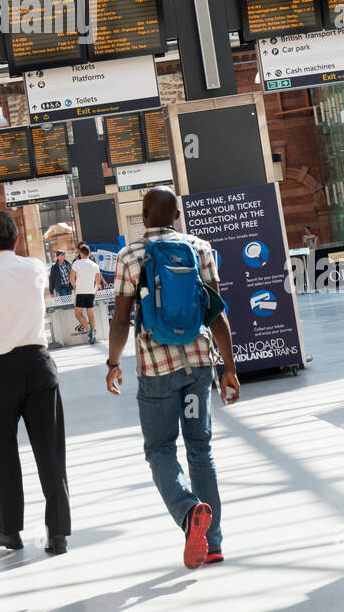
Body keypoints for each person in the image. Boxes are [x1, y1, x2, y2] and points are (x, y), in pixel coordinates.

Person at [106, 186, 239, 570]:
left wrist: (113, 363)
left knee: (161, 449)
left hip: (155, 370)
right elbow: (217, 313)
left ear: (144, 215)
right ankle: (212, 544)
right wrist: (228, 369)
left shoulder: (131, 255)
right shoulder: (200, 248)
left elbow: (119, 320)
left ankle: (188, 512)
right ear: (177, 213)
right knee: (201, 448)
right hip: (198, 366)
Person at [0, 211, 70, 555]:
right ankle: (58, 534)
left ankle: (9, 530)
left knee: (3, 450)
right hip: (38, 365)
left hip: (1, 371)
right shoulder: (36, 268)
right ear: (17, 239)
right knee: (50, 450)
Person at [70, 243, 102, 343]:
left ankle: (89, 331)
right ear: (89, 253)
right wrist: (95, 292)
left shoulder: (76, 263)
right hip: (90, 292)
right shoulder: (95, 265)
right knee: (90, 314)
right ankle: (92, 332)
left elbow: (71, 278)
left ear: (80, 253)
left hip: (80, 292)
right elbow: (98, 282)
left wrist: (75, 287)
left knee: (78, 314)